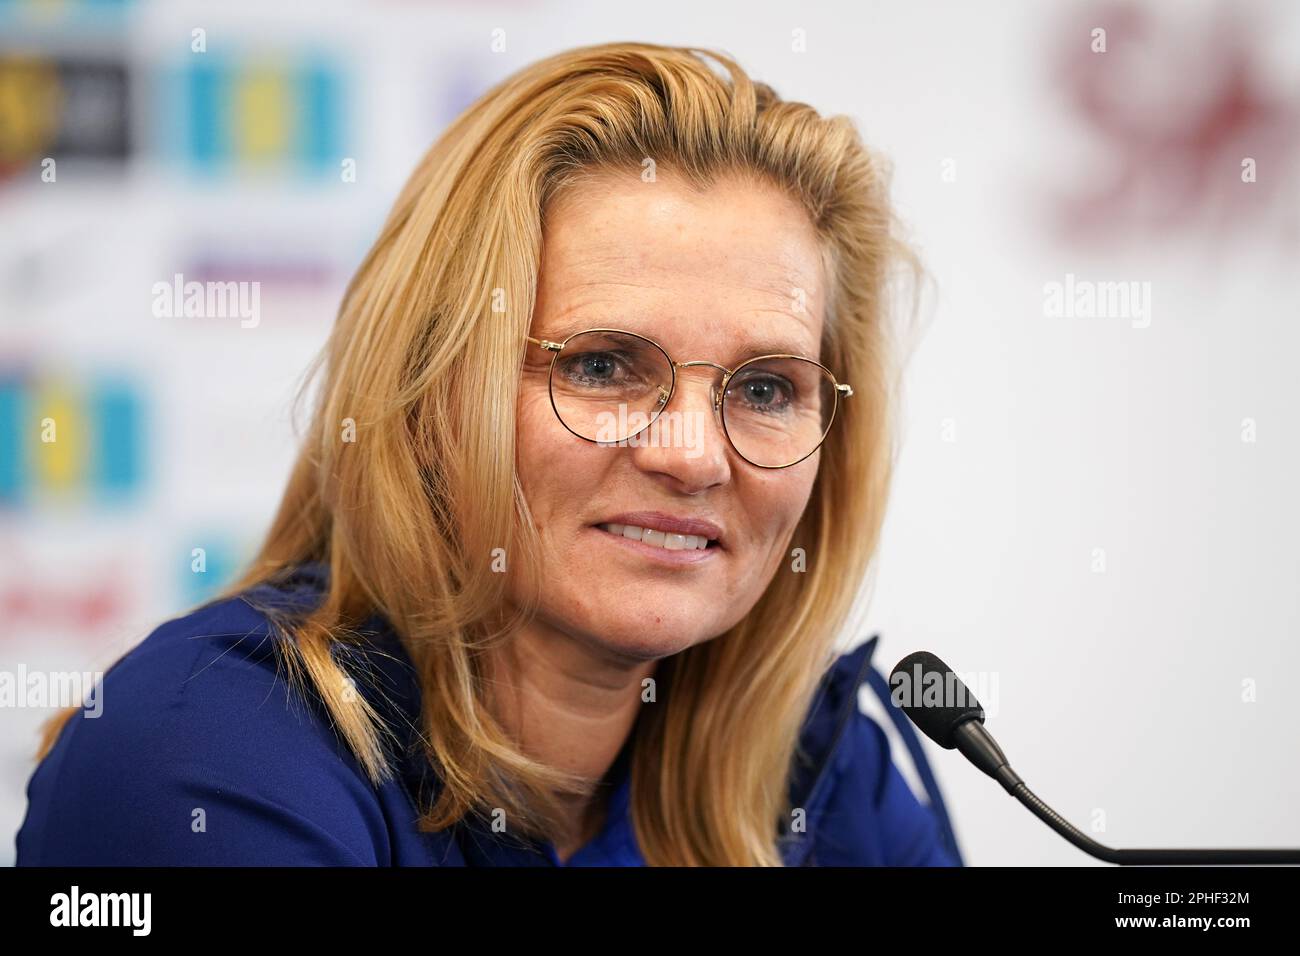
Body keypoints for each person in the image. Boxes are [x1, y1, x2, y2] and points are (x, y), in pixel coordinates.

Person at [16, 41, 960, 866]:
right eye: (601, 366)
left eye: (764, 390)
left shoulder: (824, 775)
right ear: (426, 393)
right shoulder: (210, 752)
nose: (694, 457)